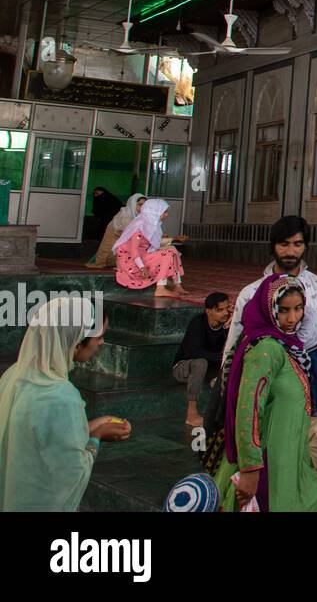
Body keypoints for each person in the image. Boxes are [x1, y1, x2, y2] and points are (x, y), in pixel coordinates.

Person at [221, 216, 317, 508]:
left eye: (297, 244)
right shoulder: (252, 294)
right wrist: (229, 407)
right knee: (275, 481)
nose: (291, 251)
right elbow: (233, 353)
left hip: (316, 397)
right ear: (273, 246)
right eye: (284, 244)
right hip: (272, 406)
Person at [0, 295, 132, 510]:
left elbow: (29, 436)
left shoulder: (14, 375)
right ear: (76, 342)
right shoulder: (61, 396)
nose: (101, 343)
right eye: (98, 336)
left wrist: (91, 425)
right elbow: (71, 476)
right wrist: (96, 437)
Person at [215, 275, 317, 512]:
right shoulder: (266, 349)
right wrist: (251, 469)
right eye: (283, 310)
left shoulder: (287, 345)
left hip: (288, 454)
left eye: (298, 309)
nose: (292, 318)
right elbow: (249, 407)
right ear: (269, 309)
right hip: (268, 459)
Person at [174, 292, 232, 428]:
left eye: (226, 309)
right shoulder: (198, 322)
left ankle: (224, 414)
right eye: (220, 310)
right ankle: (191, 414)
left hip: (210, 369)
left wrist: (228, 329)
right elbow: (193, 352)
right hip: (184, 368)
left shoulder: (226, 325)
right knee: (201, 362)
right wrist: (220, 358)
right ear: (208, 311)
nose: (225, 313)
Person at [113, 198, 187, 297]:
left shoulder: (151, 225)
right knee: (167, 253)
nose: (166, 215)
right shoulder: (139, 226)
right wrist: (142, 267)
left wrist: (173, 239)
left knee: (172, 250)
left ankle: (177, 284)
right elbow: (133, 250)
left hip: (142, 256)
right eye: (164, 212)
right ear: (154, 211)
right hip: (131, 261)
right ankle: (160, 289)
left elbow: (155, 244)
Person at [89, 191, 144, 268]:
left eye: (145, 205)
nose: (143, 208)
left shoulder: (136, 217)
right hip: (110, 255)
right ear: (133, 204)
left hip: (119, 253)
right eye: (140, 205)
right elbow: (131, 236)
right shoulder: (125, 216)